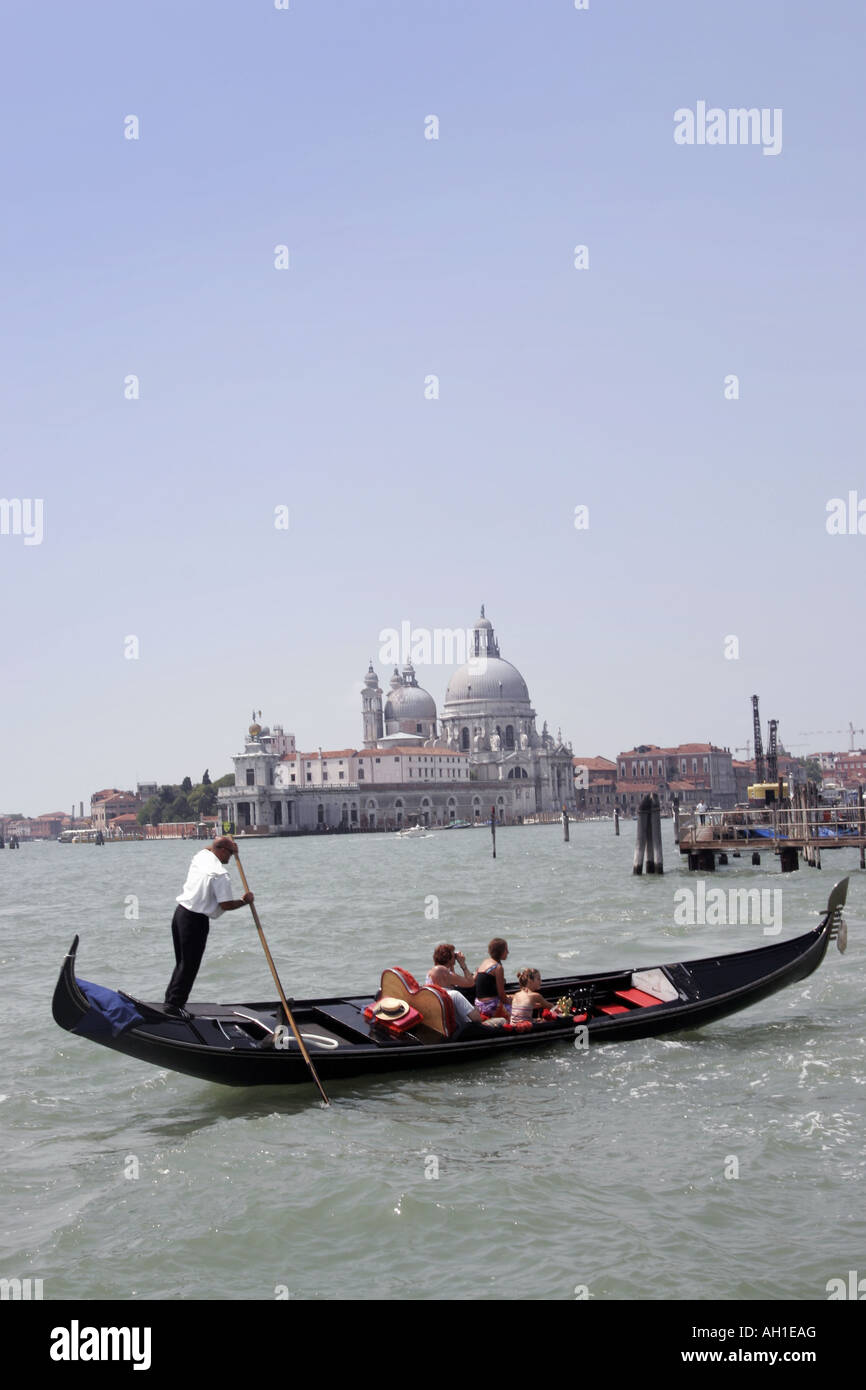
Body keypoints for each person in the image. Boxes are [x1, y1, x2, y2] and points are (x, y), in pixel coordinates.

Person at [164, 836, 254, 1019]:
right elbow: (226, 904)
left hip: (180, 914)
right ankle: (174, 1006)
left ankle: (171, 1002)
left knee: (182, 963)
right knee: (190, 965)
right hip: (195, 920)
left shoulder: (202, 856)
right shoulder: (220, 874)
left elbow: (210, 847)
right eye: (230, 853)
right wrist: (244, 901)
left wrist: (228, 846)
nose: (231, 857)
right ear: (222, 850)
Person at [474, 937, 511, 1019]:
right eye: (506, 949)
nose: (508, 952)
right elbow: (502, 995)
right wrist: (511, 1001)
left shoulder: (485, 962)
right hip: (490, 1006)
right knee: (517, 1005)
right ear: (500, 951)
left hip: (479, 1004)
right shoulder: (497, 967)